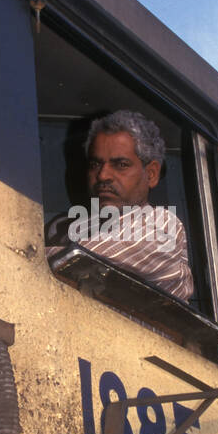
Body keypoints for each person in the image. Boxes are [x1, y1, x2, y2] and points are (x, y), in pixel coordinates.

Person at [45, 110, 194, 302]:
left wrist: (37, 249)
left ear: (151, 174)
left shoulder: (162, 224)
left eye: (121, 164)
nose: (103, 175)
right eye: (95, 164)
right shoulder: (65, 225)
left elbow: (76, 258)